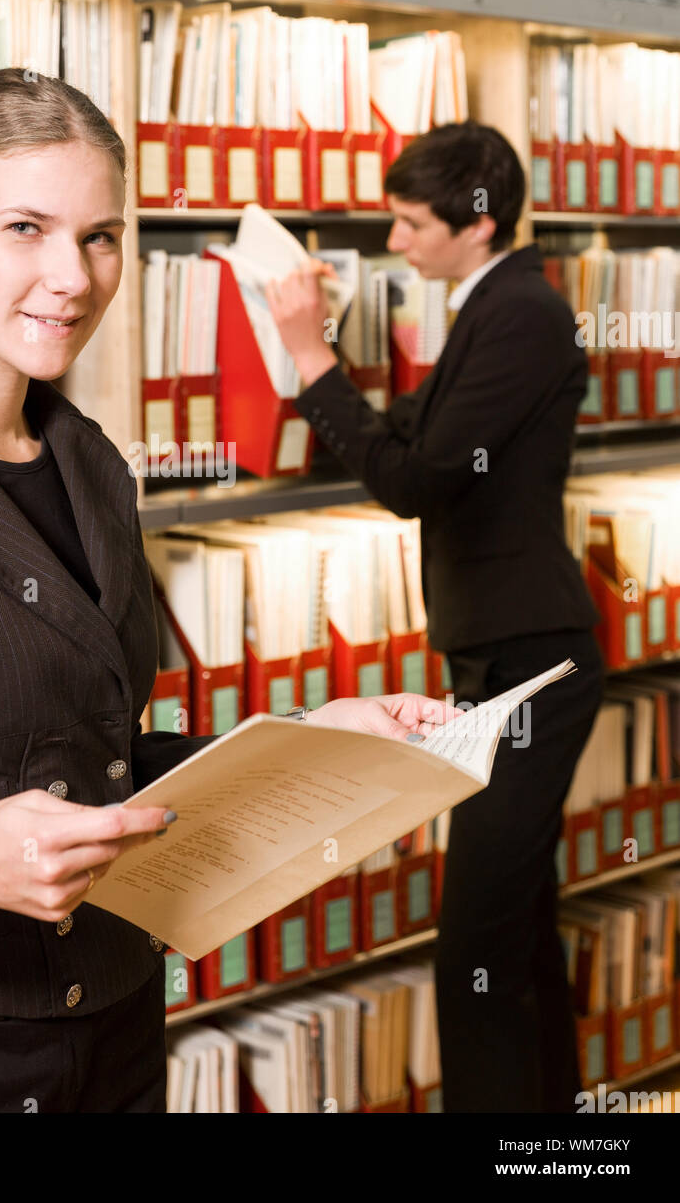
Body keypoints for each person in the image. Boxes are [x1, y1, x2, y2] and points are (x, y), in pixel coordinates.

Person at [0, 67, 455, 1114]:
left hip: (114, 1030)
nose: (73, 275)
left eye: (101, 235)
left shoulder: (95, 465)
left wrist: (314, 737)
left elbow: (104, 763)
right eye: (27, 227)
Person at [265, 120, 605, 1114]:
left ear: (478, 221)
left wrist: (307, 355)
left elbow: (415, 479)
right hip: (504, 659)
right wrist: (330, 375)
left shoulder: (522, 314)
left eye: (412, 223)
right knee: (522, 931)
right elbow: (417, 430)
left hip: (532, 669)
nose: (396, 241)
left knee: (480, 951)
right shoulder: (493, 302)